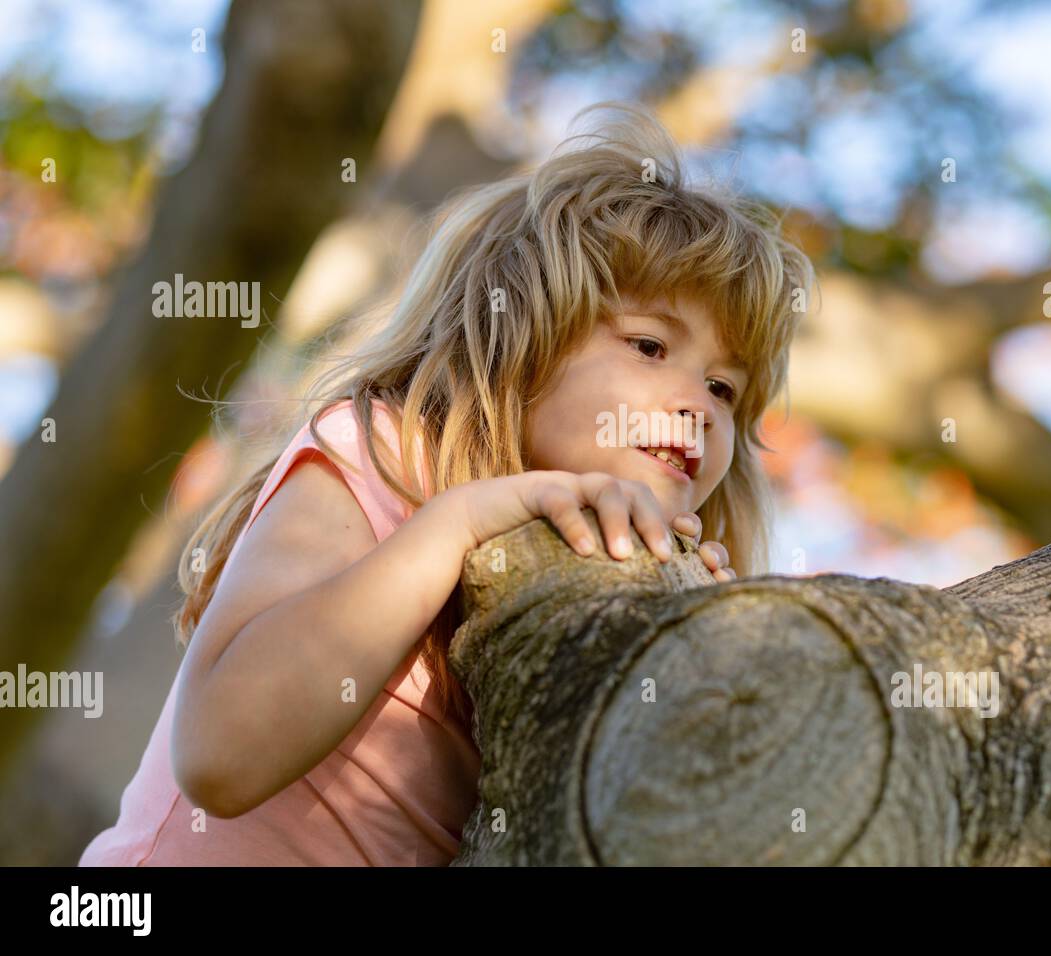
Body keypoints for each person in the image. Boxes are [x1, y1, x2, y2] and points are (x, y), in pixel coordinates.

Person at [78, 100, 817, 866]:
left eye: (726, 390)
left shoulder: (626, 582)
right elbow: (220, 757)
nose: (697, 404)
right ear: (520, 337)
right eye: (649, 345)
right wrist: (460, 523)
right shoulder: (386, 458)